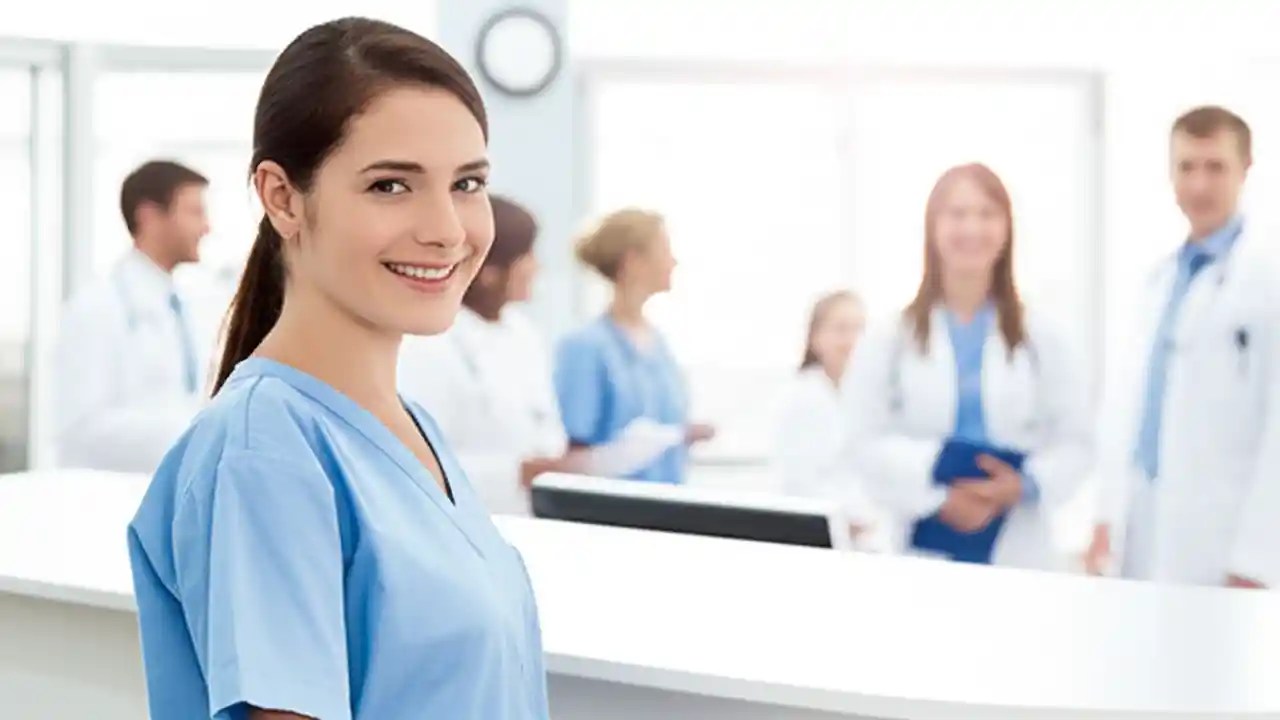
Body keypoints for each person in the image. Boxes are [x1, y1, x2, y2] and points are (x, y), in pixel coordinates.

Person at [126, 18, 548, 720]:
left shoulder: (413, 429)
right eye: (390, 186)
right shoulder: (267, 448)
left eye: (467, 183)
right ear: (282, 197)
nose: (447, 228)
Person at [843, 163, 1092, 569]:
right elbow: (860, 441)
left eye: (986, 214)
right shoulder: (889, 337)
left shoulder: (1045, 336)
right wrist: (940, 491)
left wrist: (1021, 485)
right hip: (921, 540)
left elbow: (1077, 442)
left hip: (1019, 543)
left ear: (1006, 229)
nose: (972, 228)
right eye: (957, 214)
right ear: (933, 227)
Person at [1085, 106, 1280, 589]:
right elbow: (1129, 411)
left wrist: (1256, 558)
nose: (1198, 185)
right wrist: (1107, 514)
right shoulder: (1159, 281)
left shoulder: (1266, 281)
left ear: (1246, 169)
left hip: (1224, 541)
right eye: (1186, 167)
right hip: (1146, 523)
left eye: (1215, 167)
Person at [399, 195, 579, 515]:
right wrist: (514, 473)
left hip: (533, 517)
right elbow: (415, 467)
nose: (537, 267)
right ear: (489, 270)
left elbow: (546, 425)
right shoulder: (428, 344)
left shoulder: (523, 333)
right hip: (466, 524)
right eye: (527, 255)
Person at [52, 160, 211, 473]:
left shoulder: (181, 308)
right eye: (195, 212)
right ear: (149, 217)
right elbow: (81, 432)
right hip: (112, 500)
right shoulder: (97, 308)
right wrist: (200, 431)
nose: (207, 227)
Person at [554, 209, 714, 485]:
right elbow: (574, 456)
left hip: (667, 509)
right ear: (633, 261)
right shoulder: (585, 347)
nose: (674, 262)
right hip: (610, 515)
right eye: (664, 250)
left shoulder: (660, 344)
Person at [773, 290, 891, 550]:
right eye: (841, 329)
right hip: (820, 535)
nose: (852, 340)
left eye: (860, 329)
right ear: (816, 338)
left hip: (868, 535)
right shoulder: (803, 397)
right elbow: (800, 479)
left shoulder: (870, 398)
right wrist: (853, 519)